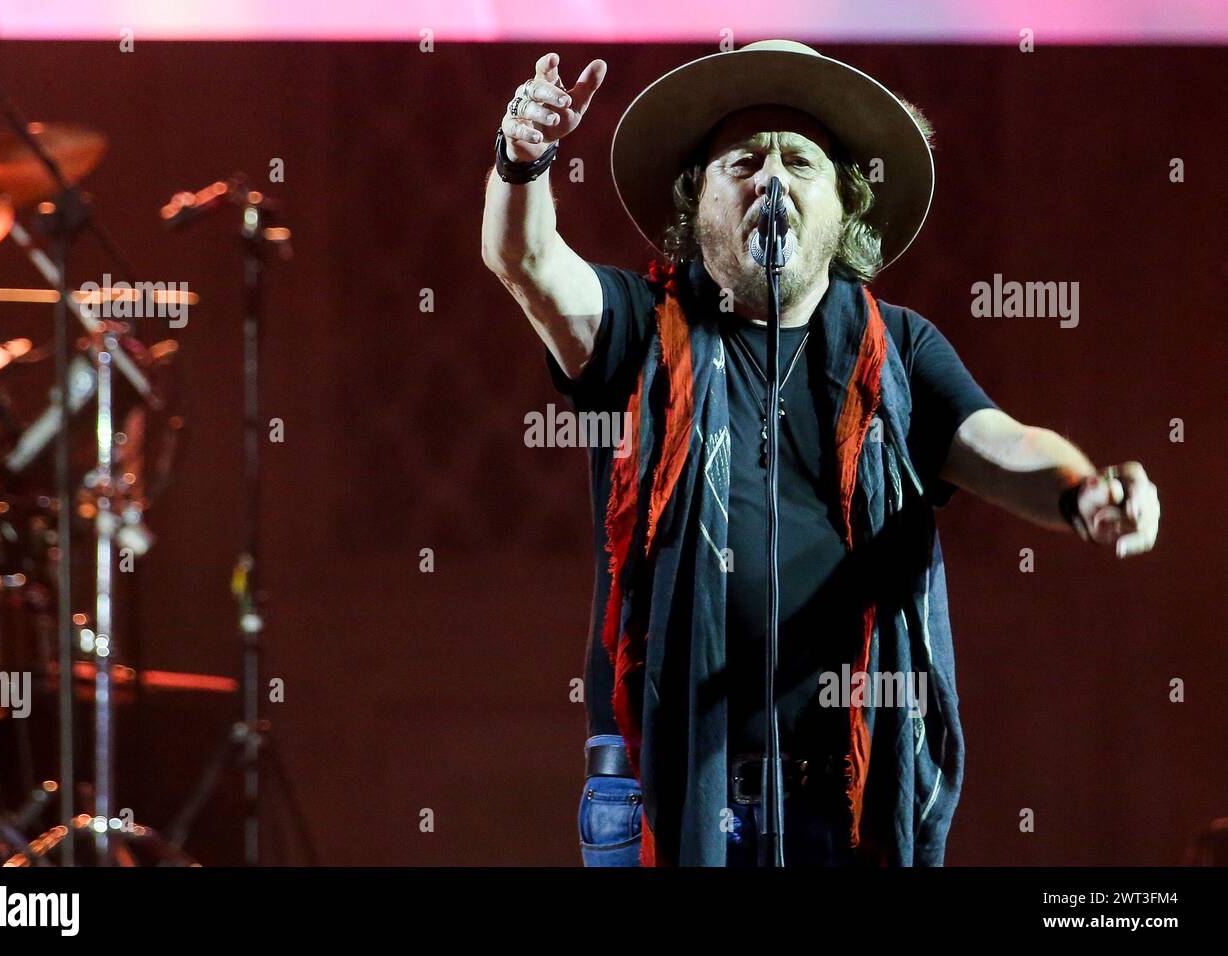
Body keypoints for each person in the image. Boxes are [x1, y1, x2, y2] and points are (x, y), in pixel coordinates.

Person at [480, 40, 1161, 867]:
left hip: (844, 799)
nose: (772, 178)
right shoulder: (643, 327)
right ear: (697, 202)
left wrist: (1084, 492)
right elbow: (528, 263)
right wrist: (523, 160)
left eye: (801, 161)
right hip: (667, 790)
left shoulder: (895, 350)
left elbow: (1001, 441)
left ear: (845, 207)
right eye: (743, 160)